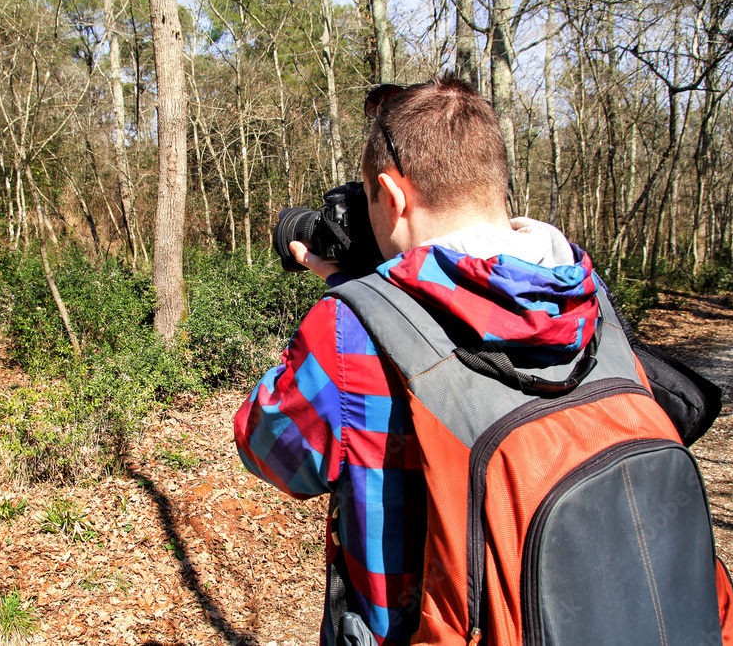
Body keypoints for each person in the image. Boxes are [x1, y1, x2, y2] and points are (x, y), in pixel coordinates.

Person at [233, 73, 602, 645]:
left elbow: (268, 449)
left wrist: (355, 297)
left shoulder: (350, 330)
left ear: (393, 196)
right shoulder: (588, 303)